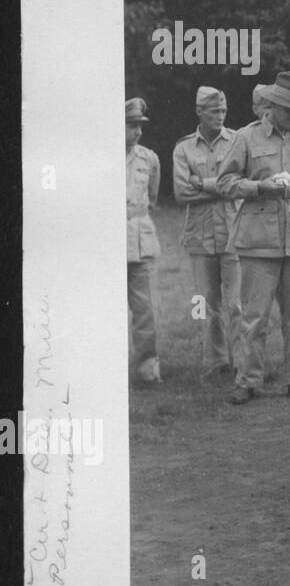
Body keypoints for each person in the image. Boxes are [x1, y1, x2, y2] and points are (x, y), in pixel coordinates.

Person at [217, 71, 290, 405]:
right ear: (273, 105)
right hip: (257, 243)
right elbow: (225, 182)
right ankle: (247, 380)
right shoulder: (247, 137)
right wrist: (260, 187)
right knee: (254, 318)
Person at [173, 86, 242, 380]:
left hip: (233, 233)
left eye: (224, 111)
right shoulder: (184, 148)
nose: (221, 116)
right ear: (200, 112)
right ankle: (214, 362)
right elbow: (180, 193)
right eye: (215, 111)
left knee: (237, 303)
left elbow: (239, 185)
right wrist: (221, 187)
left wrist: (201, 184)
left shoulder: (238, 141)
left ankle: (242, 364)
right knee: (204, 304)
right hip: (200, 236)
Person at [126, 97, 162, 384]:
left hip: (140, 239)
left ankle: (148, 368)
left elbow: (152, 198)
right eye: (131, 125)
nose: (137, 131)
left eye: (140, 126)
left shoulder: (149, 159)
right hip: (109, 241)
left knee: (145, 307)